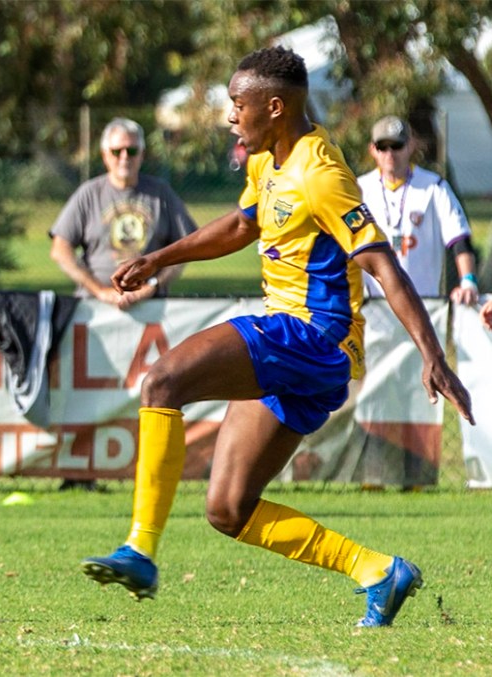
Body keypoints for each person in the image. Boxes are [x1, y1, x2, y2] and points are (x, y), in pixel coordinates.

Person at [80, 47, 473, 628]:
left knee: (161, 380)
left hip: (313, 339)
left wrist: (433, 354)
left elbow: (384, 265)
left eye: (237, 104)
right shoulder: (268, 158)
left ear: (275, 105)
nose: (230, 116)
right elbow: (243, 225)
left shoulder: (321, 173)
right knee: (228, 508)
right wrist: (159, 257)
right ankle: (378, 571)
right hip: (300, 353)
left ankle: (140, 549)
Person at [49, 117, 198, 310]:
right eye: (116, 151)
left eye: (132, 150)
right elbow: (60, 250)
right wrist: (100, 291)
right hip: (93, 308)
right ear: (104, 155)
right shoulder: (89, 193)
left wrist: (152, 286)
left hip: (152, 308)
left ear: (142, 154)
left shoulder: (161, 193)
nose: (125, 157)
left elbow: (186, 246)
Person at [358, 115, 480, 305]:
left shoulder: (434, 186)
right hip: (374, 308)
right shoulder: (360, 189)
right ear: (372, 149)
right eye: (383, 147)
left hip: (424, 306)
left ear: (411, 145)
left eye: (397, 145)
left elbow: (459, 238)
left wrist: (468, 282)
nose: (390, 153)